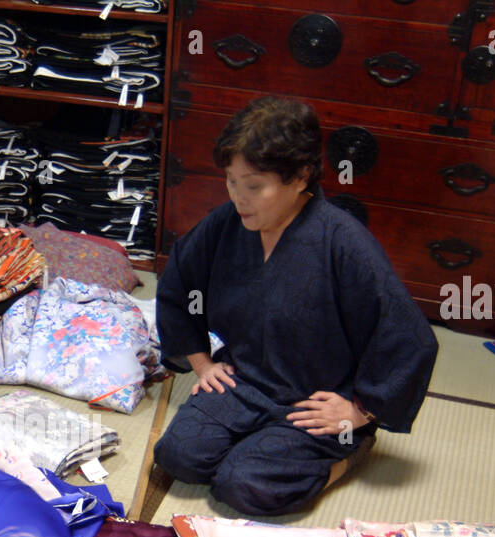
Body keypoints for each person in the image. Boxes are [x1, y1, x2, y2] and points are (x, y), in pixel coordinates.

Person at [154, 97, 438, 515]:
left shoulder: (343, 242)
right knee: (178, 456)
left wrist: (361, 411)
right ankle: (263, 444)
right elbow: (179, 281)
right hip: (244, 381)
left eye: (254, 186)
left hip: (314, 402)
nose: (239, 198)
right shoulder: (225, 224)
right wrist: (202, 364)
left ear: (300, 177)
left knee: (243, 485)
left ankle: (348, 452)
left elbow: (408, 335)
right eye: (231, 181)